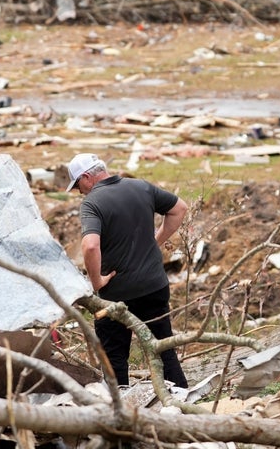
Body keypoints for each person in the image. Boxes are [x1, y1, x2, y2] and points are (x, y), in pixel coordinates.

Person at [69, 153, 189, 389]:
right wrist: (156, 240)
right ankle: (180, 399)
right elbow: (180, 208)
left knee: (114, 359)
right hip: (154, 286)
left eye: (77, 186)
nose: (79, 192)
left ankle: (120, 411)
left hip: (116, 295)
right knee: (164, 348)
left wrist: (96, 282)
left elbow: (90, 245)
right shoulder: (140, 187)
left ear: (86, 178)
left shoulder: (92, 203)